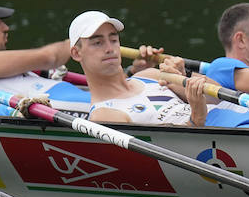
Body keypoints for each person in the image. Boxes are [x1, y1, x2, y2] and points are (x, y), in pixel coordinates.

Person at [68, 10, 207, 126]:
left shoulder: (149, 75)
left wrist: (184, 75)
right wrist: (197, 118)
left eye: (113, 40)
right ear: (76, 53)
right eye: (98, 43)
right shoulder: (104, 115)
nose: (110, 49)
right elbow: (162, 155)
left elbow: (217, 99)